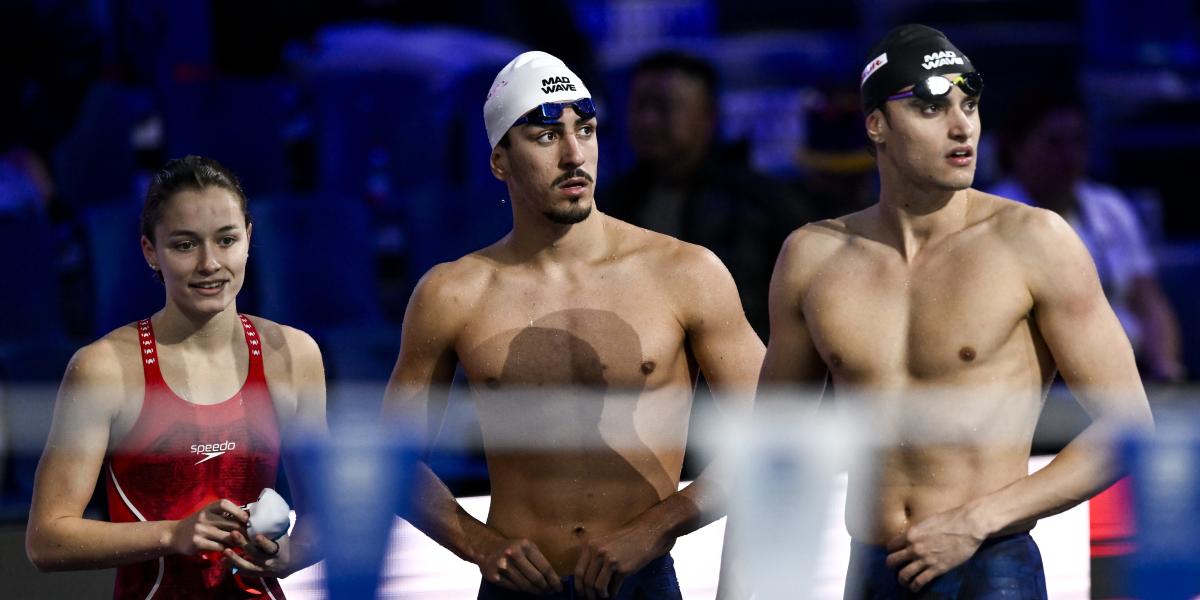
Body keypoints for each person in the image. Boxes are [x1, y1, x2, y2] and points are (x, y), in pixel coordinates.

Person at [740, 24, 1154, 598]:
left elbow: (1131, 428)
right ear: (877, 125)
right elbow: (772, 446)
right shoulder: (813, 256)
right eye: (932, 108)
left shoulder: (1033, 240)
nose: (962, 127)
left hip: (991, 561)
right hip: (873, 565)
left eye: (970, 104)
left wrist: (975, 521)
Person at [384, 51, 763, 599]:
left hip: (641, 579)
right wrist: (479, 544)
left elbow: (780, 435)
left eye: (585, 130)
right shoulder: (455, 293)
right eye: (545, 136)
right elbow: (391, 459)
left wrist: (659, 527)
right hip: (517, 584)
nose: (573, 155)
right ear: (500, 161)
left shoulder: (684, 273)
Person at [25, 156, 326, 598]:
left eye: (226, 240)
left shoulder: (294, 355)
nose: (209, 263)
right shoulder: (104, 368)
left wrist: (288, 556)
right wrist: (172, 534)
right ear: (151, 250)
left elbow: (323, 516)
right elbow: (46, 539)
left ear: (249, 239)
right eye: (185, 245)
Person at [604, 50, 807, 338]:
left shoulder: (763, 203)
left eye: (664, 107)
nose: (648, 121)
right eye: (639, 106)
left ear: (708, 117)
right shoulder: (609, 205)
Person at [990, 92, 1185, 382]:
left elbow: (1147, 300)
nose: (1069, 157)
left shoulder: (1110, 207)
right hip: (1041, 385)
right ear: (1015, 147)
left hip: (1131, 374)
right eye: (1053, 144)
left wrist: (1167, 369)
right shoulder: (991, 217)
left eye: (1078, 142)